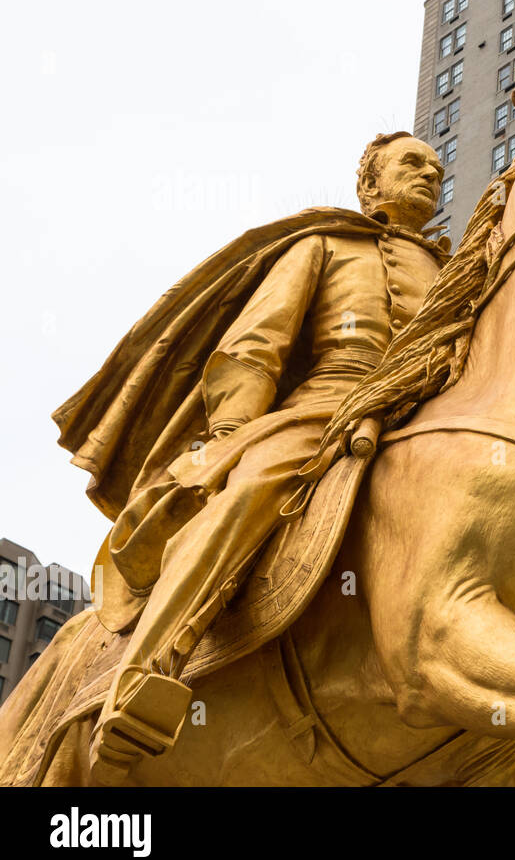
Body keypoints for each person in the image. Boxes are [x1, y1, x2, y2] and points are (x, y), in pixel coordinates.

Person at [73, 132, 447, 783]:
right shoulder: (324, 244)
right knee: (250, 494)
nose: (430, 175)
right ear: (370, 185)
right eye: (412, 163)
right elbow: (257, 341)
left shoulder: (454, 274)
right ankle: (146, 676)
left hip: (427, 422)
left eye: (438, 170)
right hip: (322, 408)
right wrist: (232, 436)